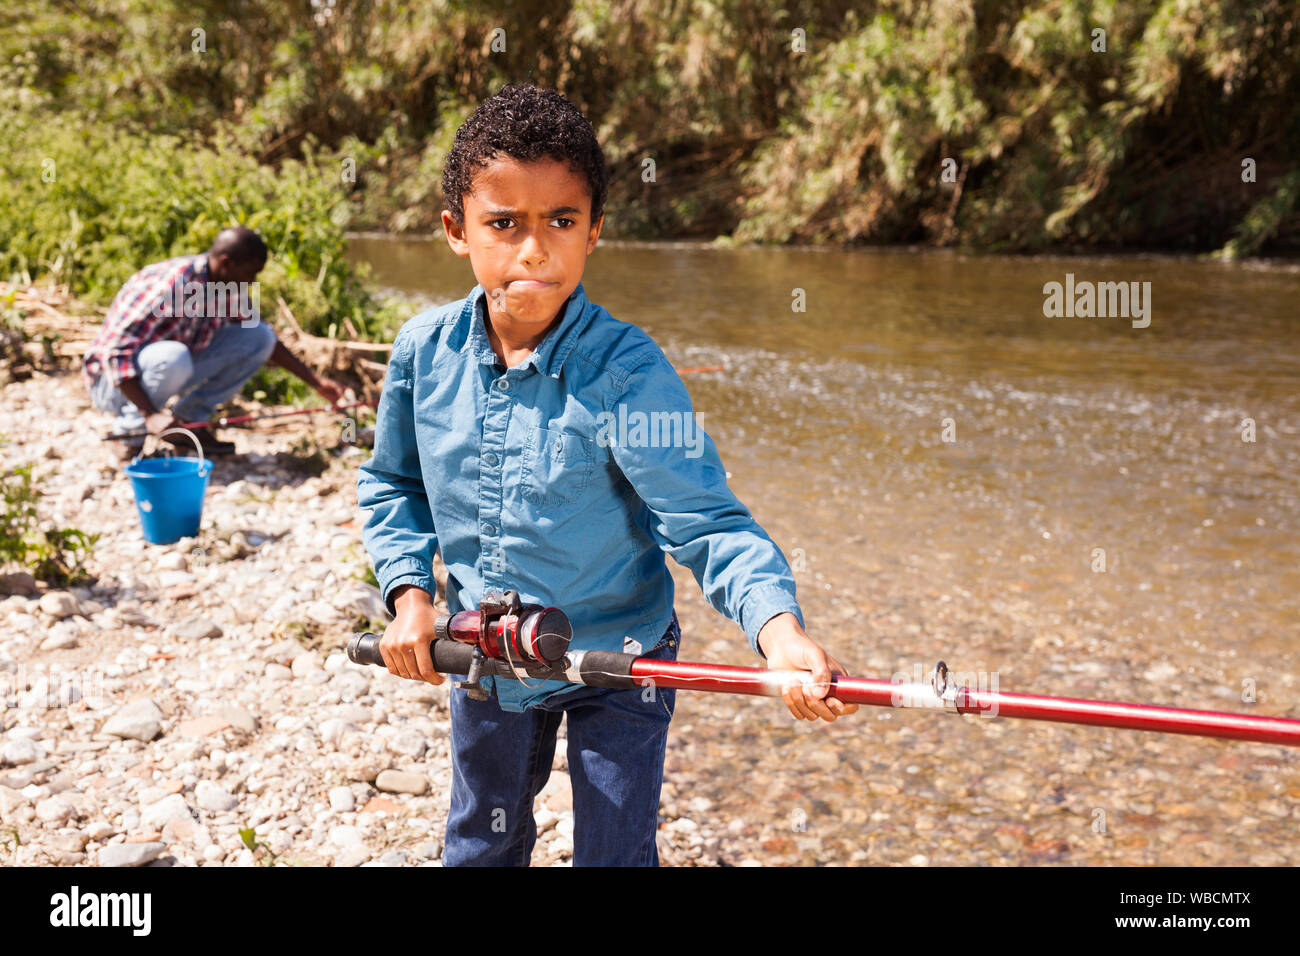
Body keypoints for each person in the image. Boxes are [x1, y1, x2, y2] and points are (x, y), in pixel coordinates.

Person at [356, 83, 859, 868]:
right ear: (457, 231)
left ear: (595, 232)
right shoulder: (424, 353)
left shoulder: (630, 373)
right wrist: (411, 597)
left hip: (626, 658)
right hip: (487, 657)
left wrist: (780, 634)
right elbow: (395, 486)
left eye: (561, 221)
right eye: (504, 224)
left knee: (617, 854)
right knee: (478, 842)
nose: (534, 249)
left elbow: (707, 523)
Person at [83, 226, 347, 460]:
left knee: (259, 336)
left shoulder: (228, 286)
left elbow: (266, 342)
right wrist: (150, 414)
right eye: (251, 273)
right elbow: (116, 352)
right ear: (227, 263)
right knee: (174, 356)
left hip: (166, 371)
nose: (253, 281)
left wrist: (316, 382)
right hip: (112, 385)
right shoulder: (171, 284)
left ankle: (188, 425)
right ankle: (129, 434)